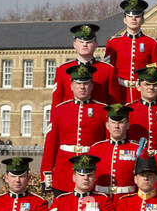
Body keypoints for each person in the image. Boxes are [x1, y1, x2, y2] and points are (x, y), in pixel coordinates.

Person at [41, 64, 108, 195]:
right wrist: (46, 173)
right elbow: (51, 143)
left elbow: (106, 145)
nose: (82, 87)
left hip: (91, 172)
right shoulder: (59, 110)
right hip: (64, 172)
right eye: (78, 83)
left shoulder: (102, 110)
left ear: (92, 86)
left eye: (86, 83)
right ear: (71, 86)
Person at [103, 0, 157, 104]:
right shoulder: (113, 42)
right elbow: (108, 71)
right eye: (130, 16)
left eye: (137, 16)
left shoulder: (152, 43)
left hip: (143, 93)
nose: (133, 19)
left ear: (143, 19)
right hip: (120, 92)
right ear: (125, 19)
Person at [51, 23, 123, 106]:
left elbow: (114, 102)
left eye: (89, 42)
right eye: (81, 42)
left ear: (96, 44)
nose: (85, 45)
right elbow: (56, 104)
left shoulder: (108, 70)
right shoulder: (62, 70)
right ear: (74, 44)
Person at [87, 104, 140, 195]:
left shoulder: (138, 149)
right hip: (101, 198)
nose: (116, 126)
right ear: (107, 125)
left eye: (121, 122)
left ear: (128, 125)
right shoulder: (95, 149)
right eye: (113, 122)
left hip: (126, 199)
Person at [126, 66, 157, 151]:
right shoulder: (129, 110)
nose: (151, 87)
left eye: (155, 85)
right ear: (138, 87)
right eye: (147, 84)